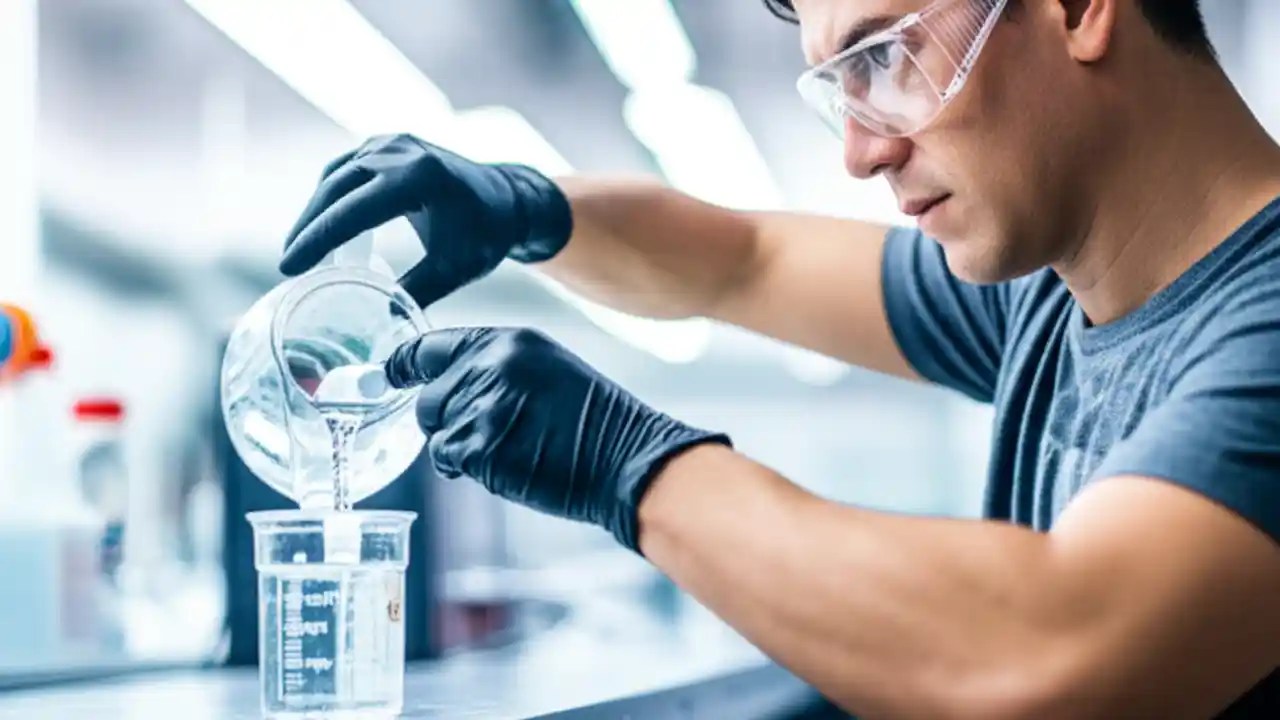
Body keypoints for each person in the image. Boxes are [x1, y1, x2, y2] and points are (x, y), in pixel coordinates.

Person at [280, 0, 1280, 716]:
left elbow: (1054, 655)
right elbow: (742, 260)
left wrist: (624, 464)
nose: (859, 150)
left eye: (886, 58)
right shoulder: (1053, 299)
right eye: (836, 90)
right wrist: (529, 209)